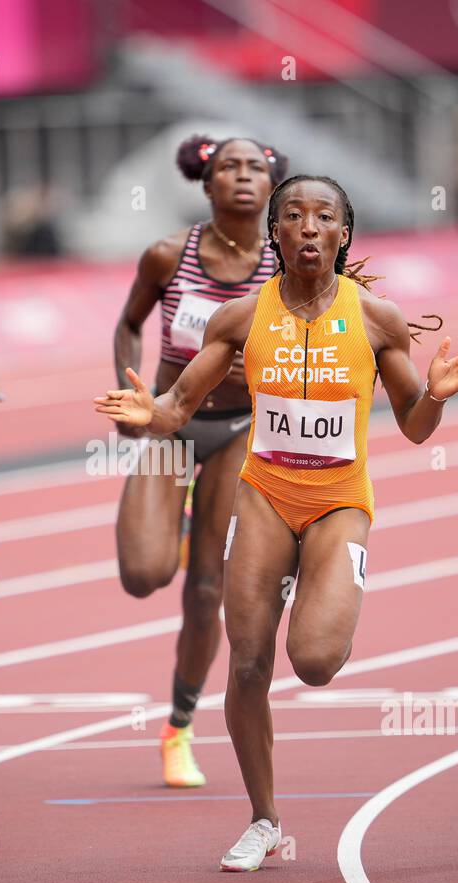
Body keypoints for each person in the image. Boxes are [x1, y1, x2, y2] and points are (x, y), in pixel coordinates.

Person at [95, 174, 458, 870]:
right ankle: (264, 819)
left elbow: (416, 428)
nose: (308, 227)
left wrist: (436, 394)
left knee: (313, 662)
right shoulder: (241, 317)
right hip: (265, 496)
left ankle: (329, 585)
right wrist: (146, 415)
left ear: (344, 234)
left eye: (324, 217)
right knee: (248, 662)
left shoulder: (377, 318)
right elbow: (179, 408)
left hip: (339, 502)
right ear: (274, 234)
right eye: (295, 217)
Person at [111, 134, 285, 787]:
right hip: (169, 423)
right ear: (206, 184)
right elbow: (128, 322)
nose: (243, 175)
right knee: (144, 573)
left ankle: (179, 727)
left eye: (255, 167)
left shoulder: (286, 266)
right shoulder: (167, 256)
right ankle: (172, 522)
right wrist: (130, 385)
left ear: (272, 186)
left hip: (242, 429)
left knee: (207, 588)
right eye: (229, 167)